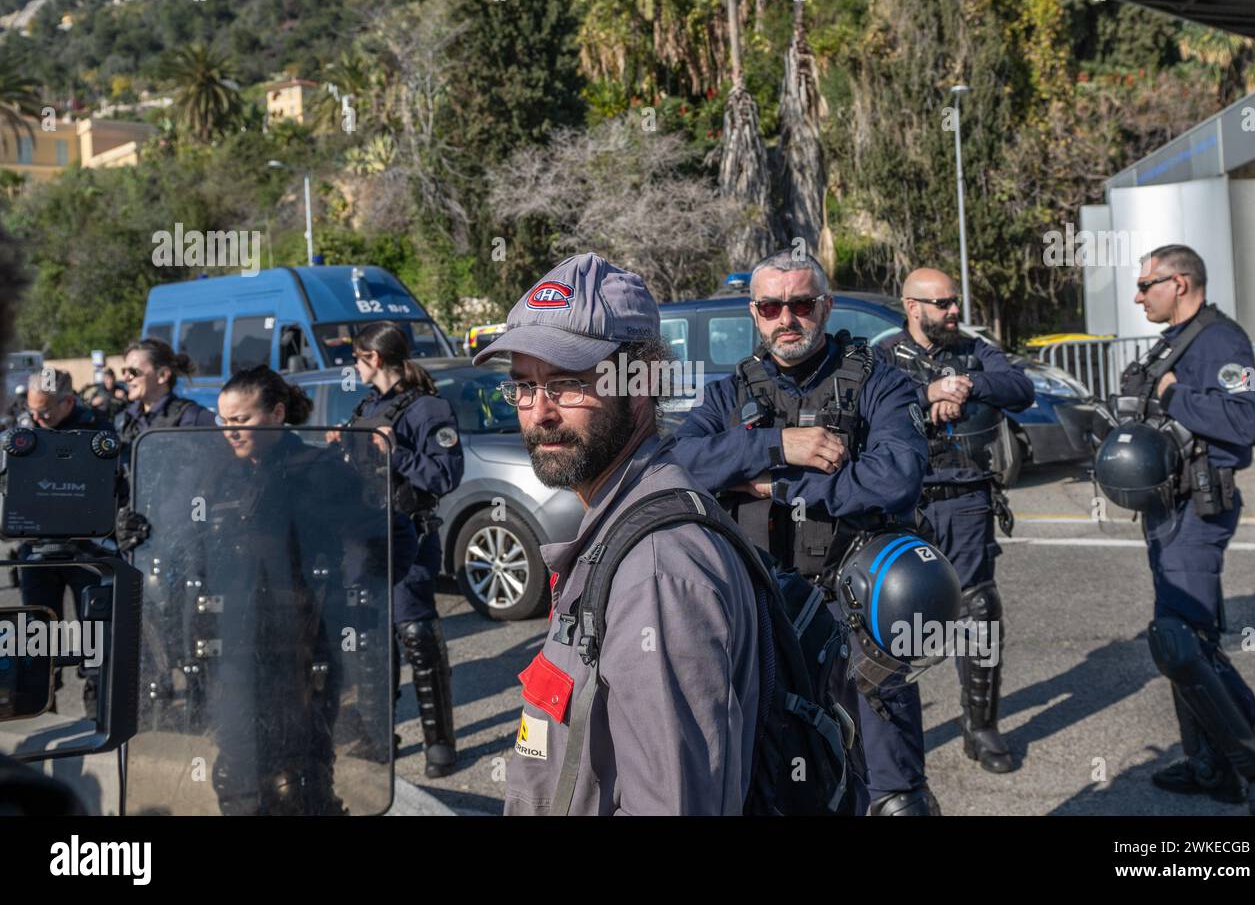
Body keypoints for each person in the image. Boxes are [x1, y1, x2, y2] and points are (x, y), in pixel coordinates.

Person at [474, 252, 758, 816]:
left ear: (642, 382)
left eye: (566, 384)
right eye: (524, 387)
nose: (539, 412)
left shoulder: (656, 569)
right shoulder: (616, 523)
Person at [673, 248, 935, 816]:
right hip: (760, 612)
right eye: (770, 306)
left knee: (893, 793)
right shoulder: (726, 395)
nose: (786, 318)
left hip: (854, 611)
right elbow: (678, 462)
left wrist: (775, 484)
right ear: (754, 312)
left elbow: (897, 478)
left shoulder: (880, 384)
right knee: (767, 781)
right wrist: (775, 446)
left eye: (801, 304)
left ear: (827, 306)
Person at [1114, 244, 1255, 816]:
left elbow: (1246, 421)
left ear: (1180, 283)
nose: (1138, 296)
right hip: (1166, 507)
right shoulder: (1174, 340)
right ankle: (1208, 764)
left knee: (1182, 641)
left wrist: (1174, 393)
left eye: (1147, 285)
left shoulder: (1219, 341)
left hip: (1199, 506)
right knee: (1183, 643)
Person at [878, 268, 1034, 774]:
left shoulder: (973, 350)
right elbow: (864, 408)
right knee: (891, 616)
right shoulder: (883, 356)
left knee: (979, 610)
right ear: (912, 306)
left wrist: (965, 384)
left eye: (955, 301)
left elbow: (1021, 388)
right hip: (904, 503)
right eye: (942, 303)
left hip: (967, 496)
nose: (953, 311)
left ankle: (981, 727)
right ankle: (890, 747)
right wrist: (928, 393)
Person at [203, 367, 361, 813]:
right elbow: (187, 544)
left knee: (299, 776)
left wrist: (353, 604)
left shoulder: (319, 469)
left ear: (276, 414)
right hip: (236, 643)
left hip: (304, 646)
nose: (231, 432)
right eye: (224, 421)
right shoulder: (218, 472)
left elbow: (380, 538)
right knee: (235, 769)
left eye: (242, 420)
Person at [337, 320, 464, 778]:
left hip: (410, 537)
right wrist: (341, 448)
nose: (354, 367)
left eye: (357, 358)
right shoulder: (367, 406)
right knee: (372, 641)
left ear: (373, 357)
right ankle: (378, 737)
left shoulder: (428, 407)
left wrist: (397, 451)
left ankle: (439, 744)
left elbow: (446, 476)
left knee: (417, 635)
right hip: (366, 540)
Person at [15, 368, 117, 717]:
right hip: (36, 546)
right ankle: (41, 712)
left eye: (44, 412)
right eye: (32, 411)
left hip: (88, 549)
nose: (37, 419)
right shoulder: (23, 429)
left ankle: (98, 717)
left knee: (95, 638)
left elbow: (118, 481)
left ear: (68, 402)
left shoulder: (98, 430)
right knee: (37, 637)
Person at [116, 339, 216, 462]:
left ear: (162, 375)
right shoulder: (125, 419)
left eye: (134, 372)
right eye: (124, 371)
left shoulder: (192, 417)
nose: (126, 378)